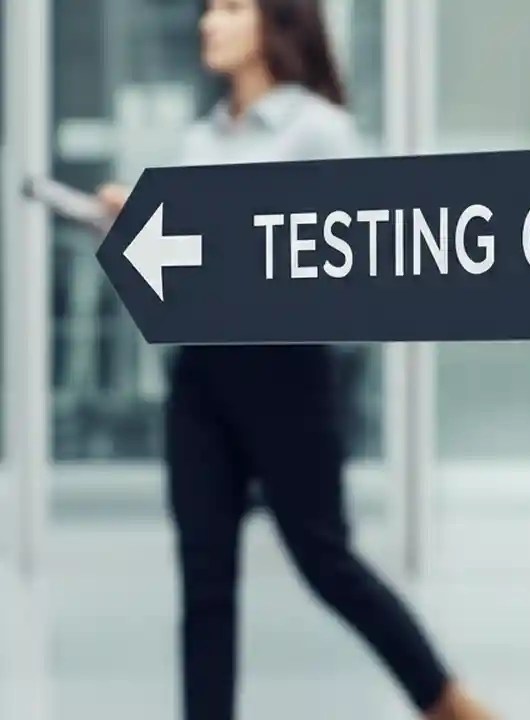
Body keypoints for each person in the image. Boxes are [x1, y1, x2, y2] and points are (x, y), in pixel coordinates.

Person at [96, 1, 493, 718]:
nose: (209, 23)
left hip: (285, 373)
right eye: (208, 9)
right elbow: (189, 272)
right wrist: (142, 232)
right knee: (204, 579)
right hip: (201, 375)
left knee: (325, 558)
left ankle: (446, 700)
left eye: (230, 8)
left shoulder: (319, 131)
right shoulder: (199, 139)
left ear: (275, 22)